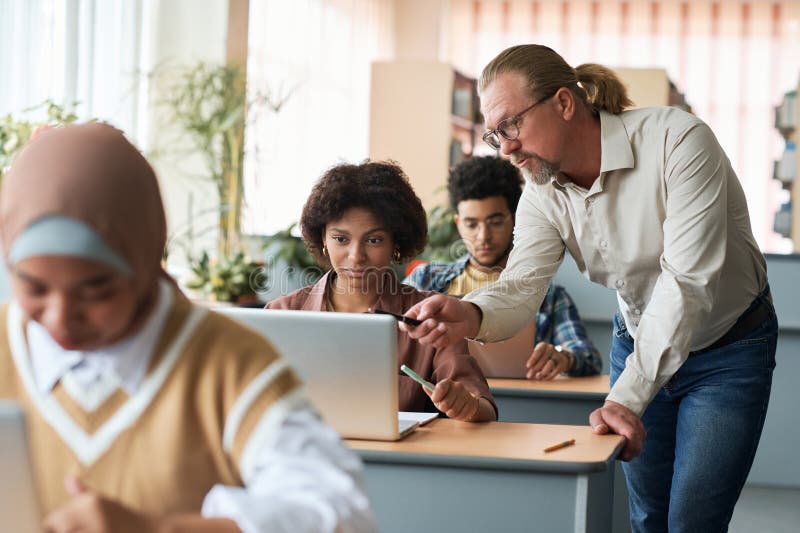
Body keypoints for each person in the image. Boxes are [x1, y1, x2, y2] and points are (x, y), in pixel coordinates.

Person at [400, 44, 777, 532]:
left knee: (693, 523)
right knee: (648, 518)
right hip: (637, 342)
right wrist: (470, 313)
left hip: (726, 350)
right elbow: (520, 287)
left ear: (563, 103)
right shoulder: (541, 190)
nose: (506, 147)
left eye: (511, 126)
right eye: (495, 136)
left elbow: (686, 283)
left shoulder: (677, 141)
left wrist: (625, 397)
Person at [0, 123, 375, 533]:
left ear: (143, 260)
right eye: (33, 286)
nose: (59, 316)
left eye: (96, 290)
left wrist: (158, 529)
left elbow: (341, 515)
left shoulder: (228, 363)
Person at [266, 161, 497, 422]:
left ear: (395, 243)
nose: (356, 257)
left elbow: (483, 408)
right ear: (323, 239)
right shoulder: (281, 314)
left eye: (374, 240)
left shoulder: (431, 317)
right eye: (341, 239)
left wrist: (467, 406)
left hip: (397, 459)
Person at [404, 155, 602, 380]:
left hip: (517, 404)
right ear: (458, 224)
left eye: (495, 222)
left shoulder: (549, 296)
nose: (483, 237)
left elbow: (588, 357)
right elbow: (391, 340)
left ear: (516, 219)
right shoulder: (424, 281)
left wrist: (562, 357)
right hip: (436, 401)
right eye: (471, 224)